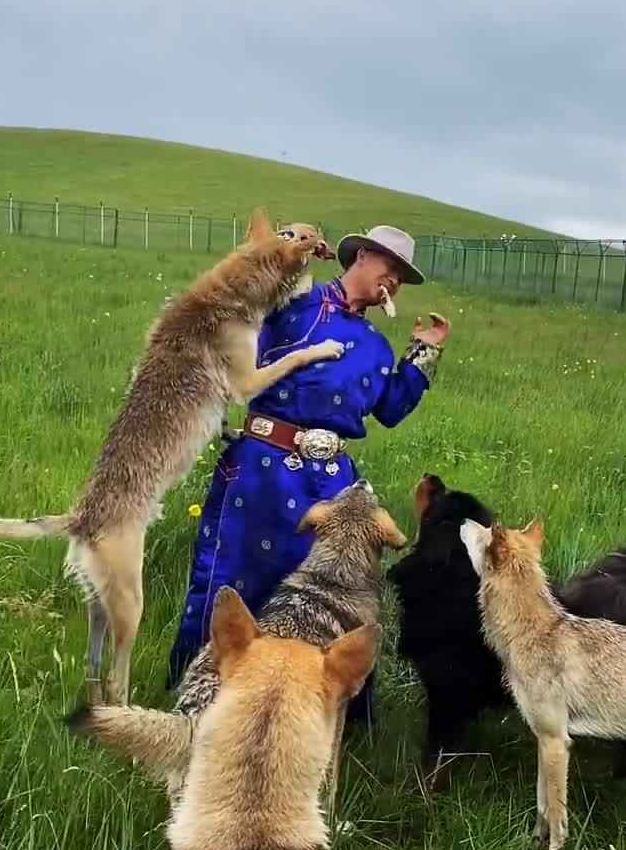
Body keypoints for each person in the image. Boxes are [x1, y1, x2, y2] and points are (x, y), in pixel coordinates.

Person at [167, 223, 451, 721]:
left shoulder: (376, 347)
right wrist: (289, 245)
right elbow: (242, 297)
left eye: (403, 277)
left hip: (332, 482)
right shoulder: (294, 304)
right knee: (234, 579)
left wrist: (424, 352)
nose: (395, 281)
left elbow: (389, 409)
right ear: (362, 256)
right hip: (263, 469)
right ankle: (200, 706)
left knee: (339, 593)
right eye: (391, 268)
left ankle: (322, 713)